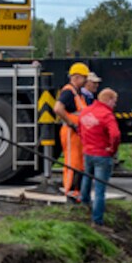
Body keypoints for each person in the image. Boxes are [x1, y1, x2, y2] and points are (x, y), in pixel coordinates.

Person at [79, 88, 121, 226]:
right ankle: (97, 220)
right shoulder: (107, 115)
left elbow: (80, 129)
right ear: (108, 100)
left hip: (88, 152)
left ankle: (83, 206)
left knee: (86, 179)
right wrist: (112, 149)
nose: (115, 105)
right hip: (102, 154)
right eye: (114, 101)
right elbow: (115, 134)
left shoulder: (85, 111)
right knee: (99, 189)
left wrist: (85, 144)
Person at [54, 62, 90, 202]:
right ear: (76, 77)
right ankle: (69, 192)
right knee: (72, 162)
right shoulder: (68, 92)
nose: (86, 81)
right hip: (70, 132)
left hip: (77, 132)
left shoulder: (77, 93)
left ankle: (76, 192)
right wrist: (71, 123)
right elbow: (58, 108)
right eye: (84, 78)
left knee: (79, 162)